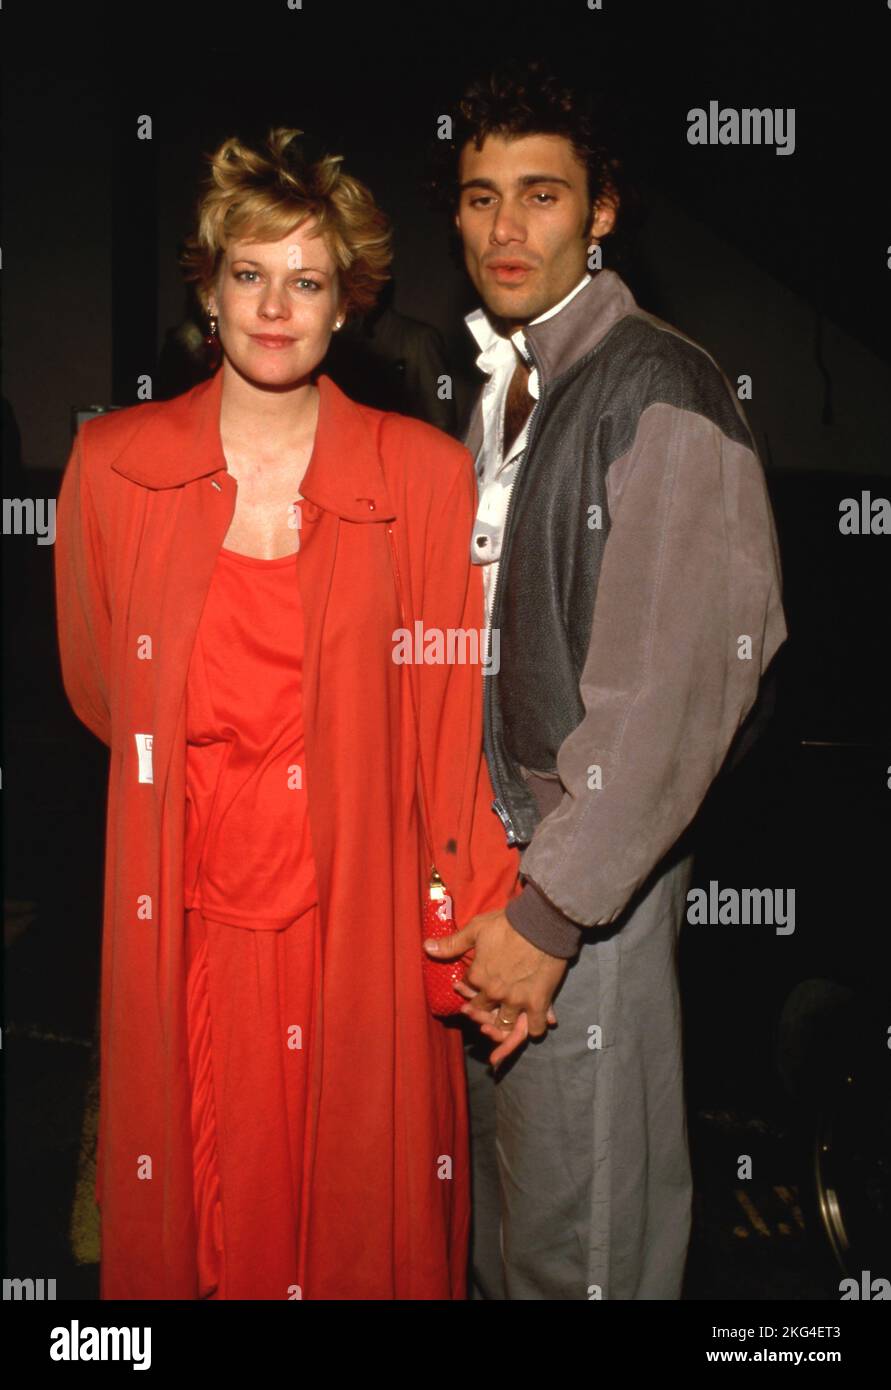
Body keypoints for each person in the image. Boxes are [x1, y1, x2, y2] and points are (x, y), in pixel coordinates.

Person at [54, 126, 520, 1300]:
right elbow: (104, 687)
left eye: (306, 280)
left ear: (347, 303)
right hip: (189, 910)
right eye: (249, 274)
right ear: (207, 289)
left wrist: (487, 927)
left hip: (355, 918)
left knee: (357, 1219)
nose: (275, 306)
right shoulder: (111, 467)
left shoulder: (421, 476)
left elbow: (448, 721)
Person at [423, 63, 788, 1299]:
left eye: (540, 195)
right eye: (480, 197)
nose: (504, 229)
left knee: (589, 1259)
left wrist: (552, 913)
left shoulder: (657, 385)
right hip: (504, 875)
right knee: (512, 1247)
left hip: (586, 897)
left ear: (603, 210)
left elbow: (674, 698)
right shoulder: (510, 389)